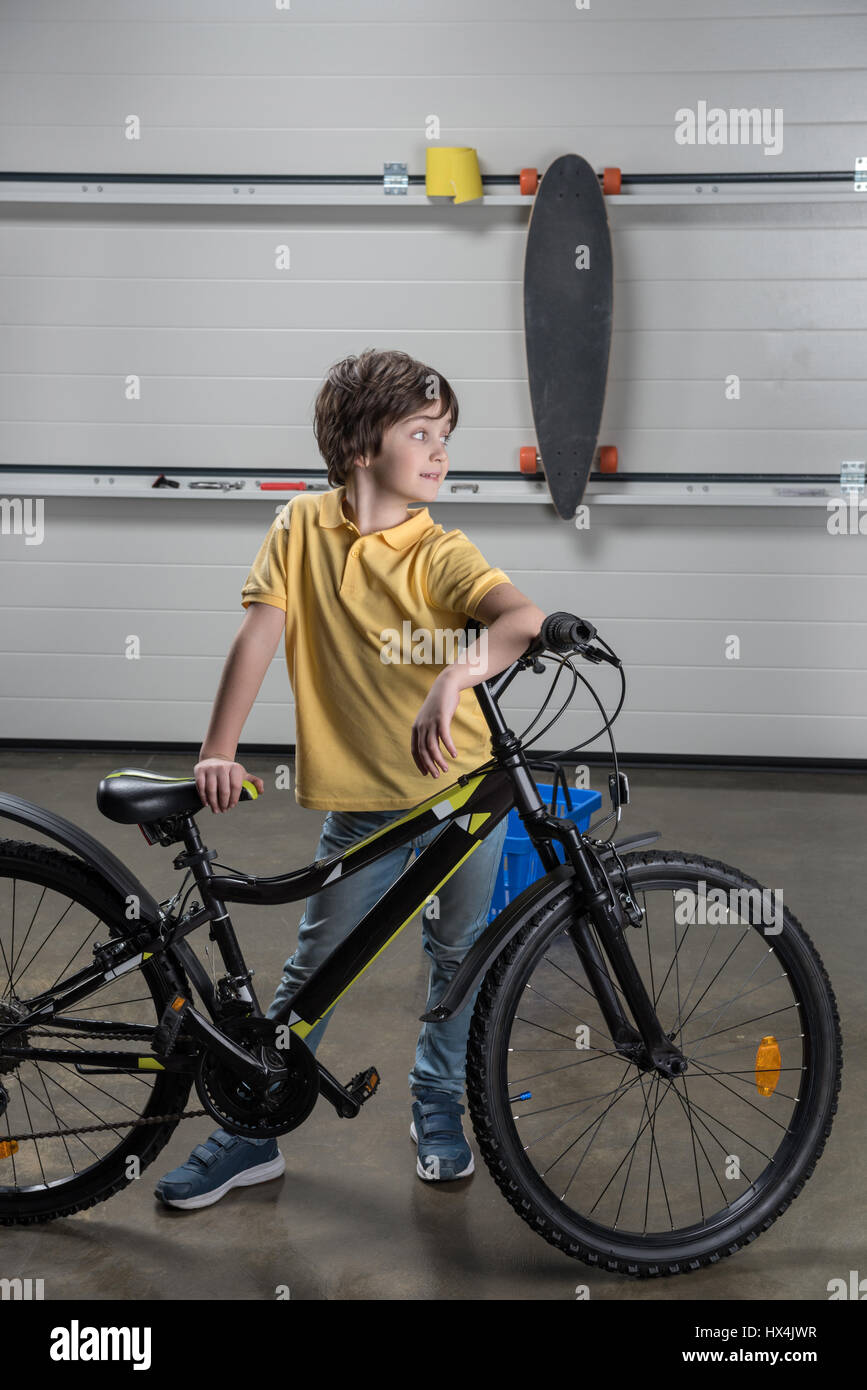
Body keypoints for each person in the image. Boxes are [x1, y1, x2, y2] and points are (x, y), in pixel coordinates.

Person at [155, 348, 545, 1209]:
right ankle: (254, 1129)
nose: (440, 451)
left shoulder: (439, 550)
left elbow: (522, 618)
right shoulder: (299, 529)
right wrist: (218, 748)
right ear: (361, 447)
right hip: (361, 810)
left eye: (445, 435)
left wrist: (457, 674)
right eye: (420, 433)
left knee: (457, 959)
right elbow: (260, 635)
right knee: (315, 971)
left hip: (461, 801)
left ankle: (437, 1106)